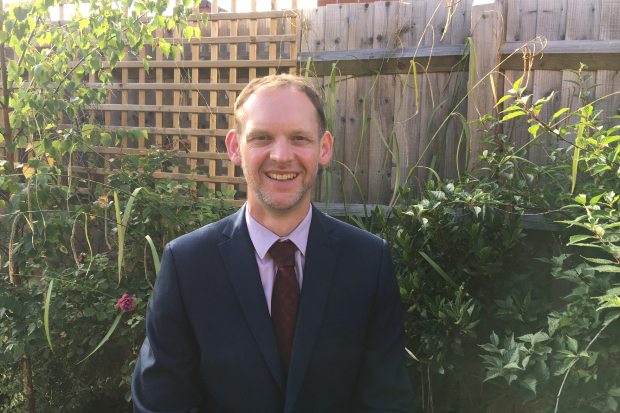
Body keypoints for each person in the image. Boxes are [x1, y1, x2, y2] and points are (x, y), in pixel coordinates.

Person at [132, 74, 414, 413]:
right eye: (262, 137)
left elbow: (386, 399)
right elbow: (161, 403)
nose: (281, 156)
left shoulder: (369, 262)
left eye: (299, 138)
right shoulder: (187, 264)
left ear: (323, 148)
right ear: (235, 147)